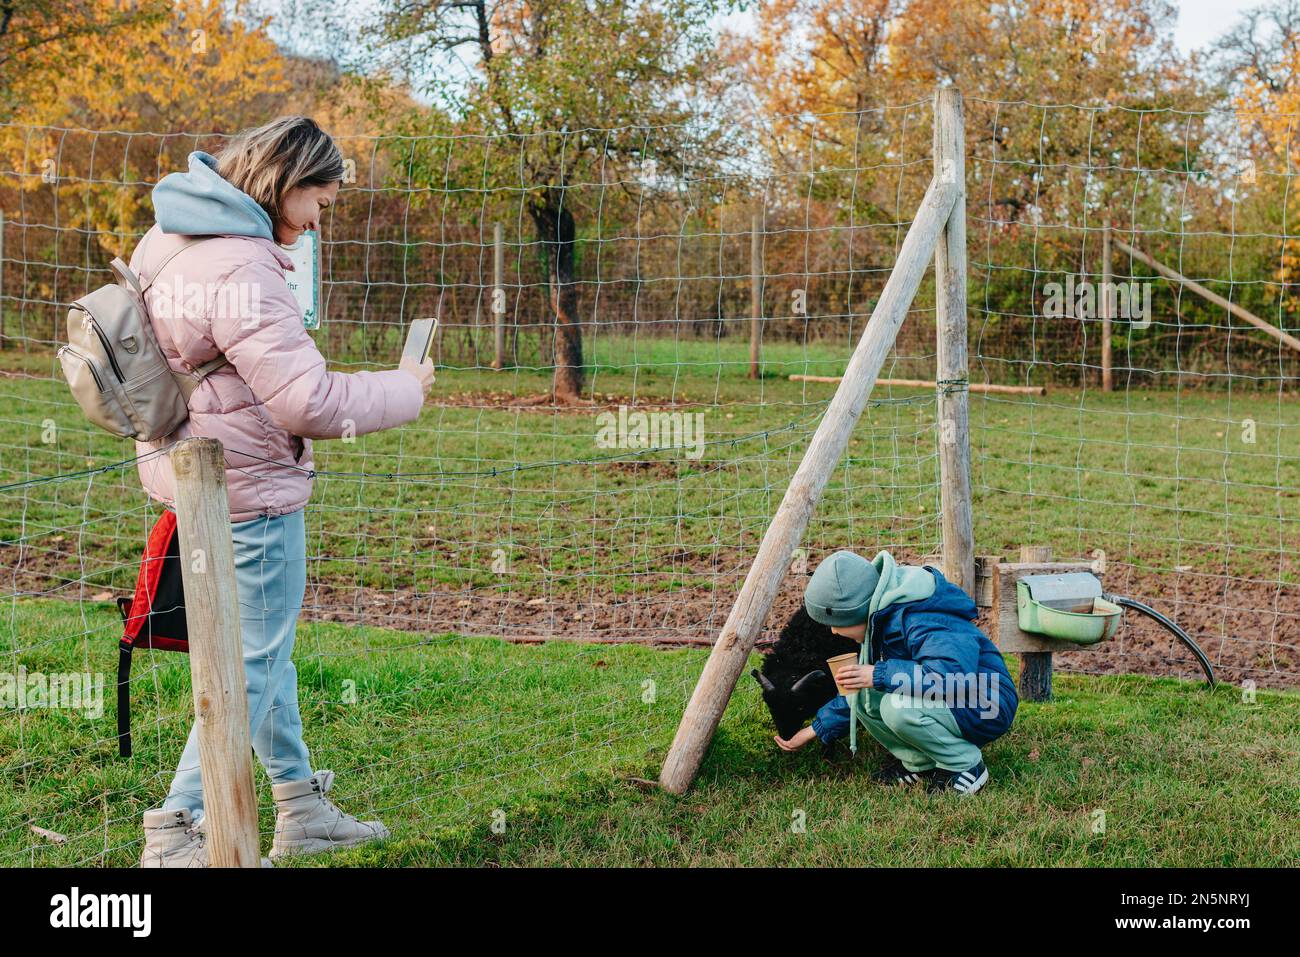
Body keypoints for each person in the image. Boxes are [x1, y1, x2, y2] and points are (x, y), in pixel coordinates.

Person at [133, 116, 437, 866]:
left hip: (192, 475)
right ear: (284, 180)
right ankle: (177, 828)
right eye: (319, 200)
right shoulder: (243, 263)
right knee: (255, 660)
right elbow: (308, 402)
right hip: (248, 485)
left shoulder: (170, 237)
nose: (319, 218)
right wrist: (406, 388)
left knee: (261, 651)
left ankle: (299, 806)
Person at [776, 550, 1018, 795]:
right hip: (957, 699)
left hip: (987, 702)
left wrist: (879, 674)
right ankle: (920, 763)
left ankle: (964, 765)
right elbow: (859, 694)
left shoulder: (921, 619)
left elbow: (950, 677)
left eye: (837, 623)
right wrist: (814, 730)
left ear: (858, 612)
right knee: (865, 696)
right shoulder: (881, 618)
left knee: (896, 706)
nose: (833, 632)